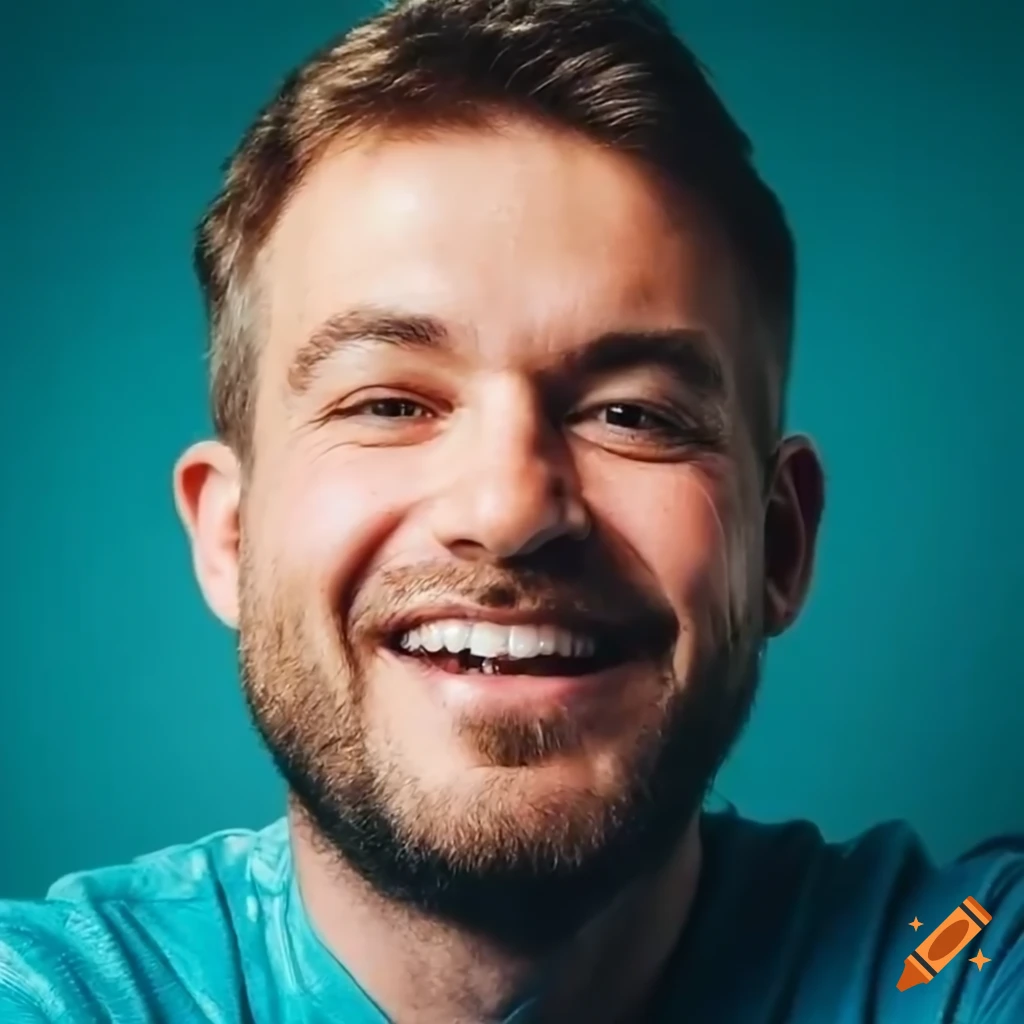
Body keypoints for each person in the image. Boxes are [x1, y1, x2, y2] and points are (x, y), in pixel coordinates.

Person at [2, 0, 1022, 1020]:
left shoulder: (959, 965)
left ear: (780, 544)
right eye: (389, 402)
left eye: (631, 414)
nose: (507, 509)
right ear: (228, 535)